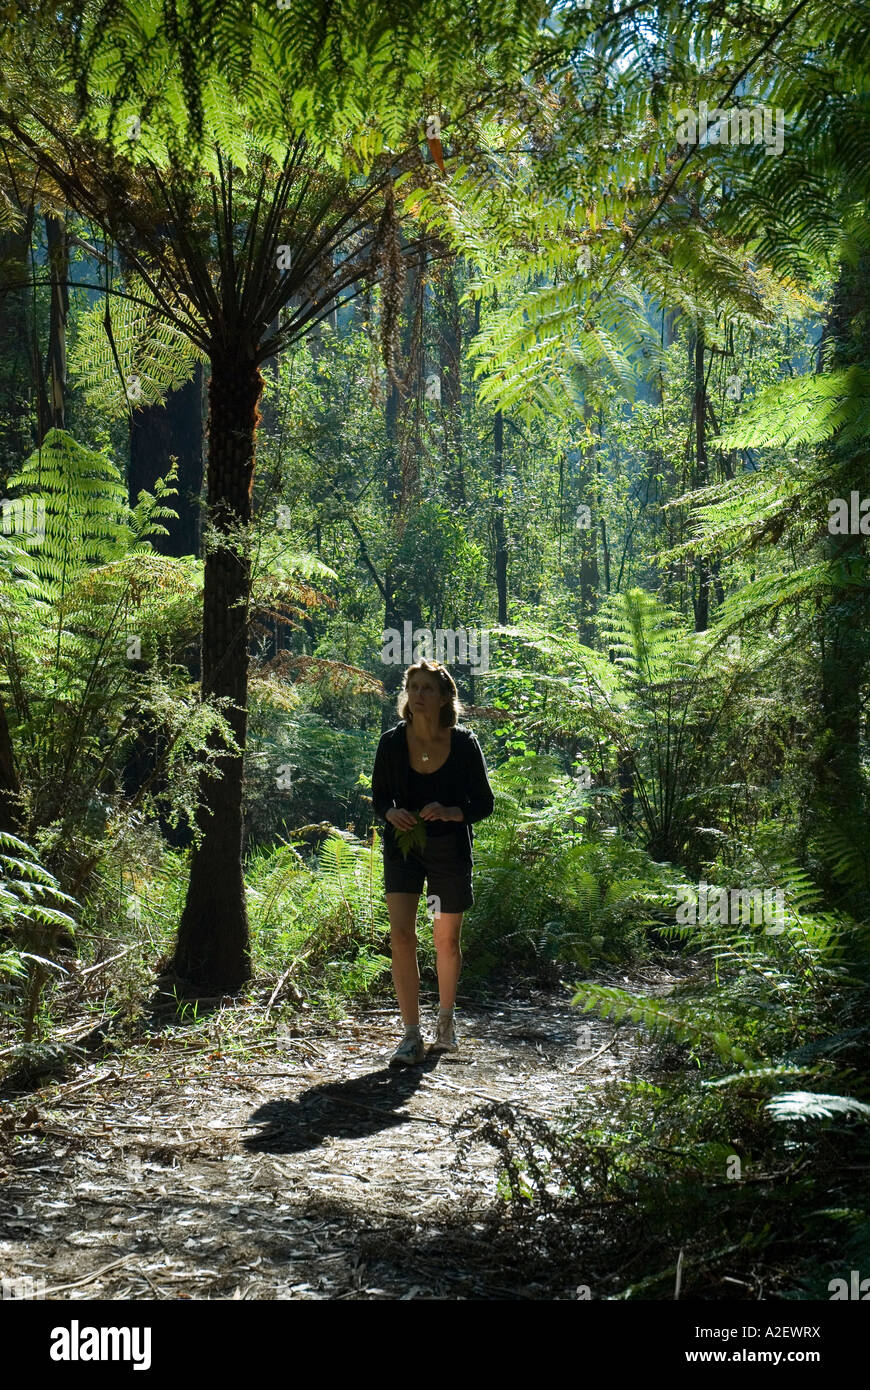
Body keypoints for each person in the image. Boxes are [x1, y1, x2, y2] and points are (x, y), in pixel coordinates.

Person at [371, 659, 495, 1066]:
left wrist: (452, 811)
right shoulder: (391, 743)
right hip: (403, 850)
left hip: (448, 853)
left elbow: (483, 803)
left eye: (427, 688)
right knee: (402, 935)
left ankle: (445, 1024)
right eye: (413, 687)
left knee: (445, 939)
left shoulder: (463, 743)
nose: (418, 695)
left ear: (445, 697)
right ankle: (410, 1035)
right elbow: (379, 800)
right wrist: (391, 814)